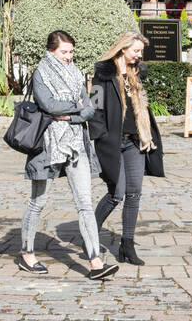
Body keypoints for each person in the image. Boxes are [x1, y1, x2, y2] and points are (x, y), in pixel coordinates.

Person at [17, 31, 118, 281]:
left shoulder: (76, 73)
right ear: (51, 51)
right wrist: (76, 109)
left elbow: (90, 109)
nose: (68, 57)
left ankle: (95, 262)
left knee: (84, 202)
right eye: (64, 52)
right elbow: (48, 106)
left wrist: (70, 115)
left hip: (76, 143)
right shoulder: (41, 73)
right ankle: (27, 253)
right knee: (38, 201)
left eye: (71, 52)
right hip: (48, 144)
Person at [91, 30, 165, 266]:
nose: (139, 55)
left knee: (134, 193)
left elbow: (141, 107)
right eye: (136, 51)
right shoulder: (103, 73)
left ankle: (127, 245)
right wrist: (100, 136)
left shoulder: (136, 73)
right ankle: (90, 233)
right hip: (112, 141)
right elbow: (94, 108)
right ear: (123, 48)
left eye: (140, 51)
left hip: (136, 140)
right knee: (117, 193)